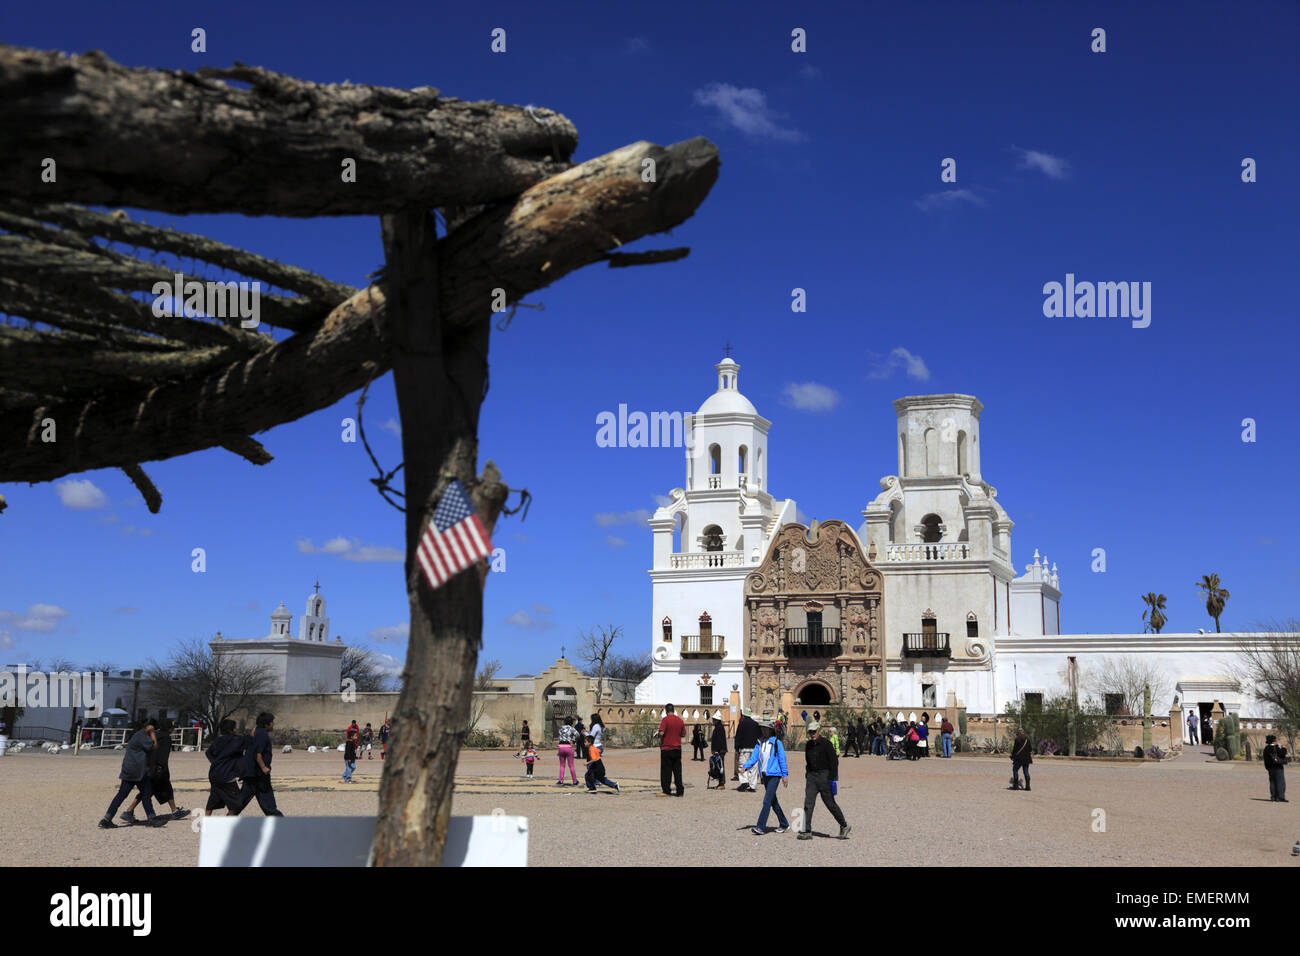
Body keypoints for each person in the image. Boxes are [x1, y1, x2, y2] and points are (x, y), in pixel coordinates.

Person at [99, 718, 165, 828]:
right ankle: (152, 818)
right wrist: (152, 733)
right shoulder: (142, 735)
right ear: (149, 726)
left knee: (121, 795)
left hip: (129, 770)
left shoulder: (137, 735)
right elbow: (154, 746)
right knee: (146, 794)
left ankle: (106, 819)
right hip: (138, 771)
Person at [123, 717, 188, 822]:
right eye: (172, 727)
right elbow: (163, 755)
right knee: (166, 788)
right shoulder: (166, 738)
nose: (173, 729)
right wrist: (161, 767)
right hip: (158, 768)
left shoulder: (156, 735)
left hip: (148, 766)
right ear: (168, 728)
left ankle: (129, 811)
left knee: (148, 791)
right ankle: (175, 812)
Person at [798, 722, 850, 840]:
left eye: (814, 732)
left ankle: (844, 825)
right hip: (812, 776)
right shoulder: (809, 745)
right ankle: (807, 830)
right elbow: (808, 761)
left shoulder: (827, 744)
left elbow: (834, 762)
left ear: (819, 731)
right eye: (810, 732)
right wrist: (808, 773)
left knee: (830, 803)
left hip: (824, 776)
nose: (812, 734)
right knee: (808, 803)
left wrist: (831, 778)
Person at [740, 723, 789, 835]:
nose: (764, 731)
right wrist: (746, 766)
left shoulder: (777, 743)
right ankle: (784, 823)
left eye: (766, 729)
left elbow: (782, 759)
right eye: (762, 729)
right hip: (765, 775)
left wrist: (784, 775)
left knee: (766, 801)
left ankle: (760, 827)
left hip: (774, 775)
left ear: (771, 730)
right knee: (773, 801)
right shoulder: (760, 742)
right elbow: (754, 757)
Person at [237, 712, 284, 816]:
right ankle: (282, 825)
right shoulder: (262, 734)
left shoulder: (256, 732)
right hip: (258, 775)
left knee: (239, 804)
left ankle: (227, 820)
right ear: (267, 724)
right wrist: (263, 767)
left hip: (251, 774)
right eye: (272, 723)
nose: (273, 725)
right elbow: (258, 754)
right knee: (270, 807)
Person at [204, 719, 246, 815]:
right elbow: (250, 739)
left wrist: (215, 761)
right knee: (237, 804)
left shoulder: (218, 740)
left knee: (213, 800)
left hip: (214, 774)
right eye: (235, 728)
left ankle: (205, 822)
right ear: (231, 730)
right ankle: (226, 823)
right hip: (226, 776)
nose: (236, 729)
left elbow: (208, 752)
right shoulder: (236, 740)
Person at [656, 703, 686, 797]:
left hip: (666, 748)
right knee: (677, 771)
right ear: (673, 710)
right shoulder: (680, 720)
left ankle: (666, 790)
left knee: (666, 771)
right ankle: (680, 790)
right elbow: (683, 734)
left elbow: (662, 733)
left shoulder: (665, 720)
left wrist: (658, 734)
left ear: (666, 711)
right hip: (677, 749)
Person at [734, 710, 762, 791]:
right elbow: (760, 737)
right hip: (754, 749)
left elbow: (738, 737)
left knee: (742, 765)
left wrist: (737, 747)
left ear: (744, 715)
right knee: (753, 767)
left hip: (744, 749)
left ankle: (744, 782)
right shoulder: (756, 724)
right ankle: (752, 786)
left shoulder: (741, 724)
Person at [1263, 734, 1288, 802]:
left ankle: (1273, 797)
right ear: (1274, 741)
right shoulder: (1276, 747)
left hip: (1270, 768)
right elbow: (1283, 753)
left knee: (1272, 782)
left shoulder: (1266, 748)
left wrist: (1267, 767)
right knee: (1280, 782)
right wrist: (1284, 748)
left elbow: (1265, 759)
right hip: (1278, 767)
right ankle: (1280, 797)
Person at [556, 715, 580, 786]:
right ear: (572, 722)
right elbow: (578, 735)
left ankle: (561, 780)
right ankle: (574, 780)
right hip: (568, 746)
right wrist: (573, 741)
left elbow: (559, 736)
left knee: (562, 765)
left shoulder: (561, 728)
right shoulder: (572, 728)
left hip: (561, 746)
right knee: (571, 765)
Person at [708, 716, 729, 790]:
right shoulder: (718, 727)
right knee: (718, 766)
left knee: (720, 767)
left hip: (720, 751)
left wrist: (717, 750)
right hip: (719, 751)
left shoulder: (719, 728)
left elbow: (720, 741)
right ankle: (721, 782)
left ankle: (722, 783)